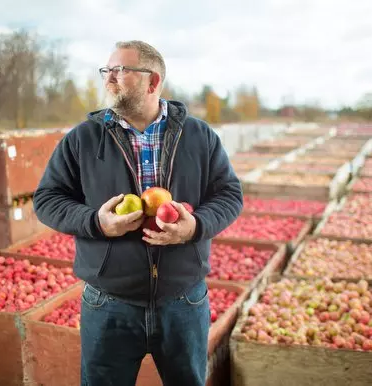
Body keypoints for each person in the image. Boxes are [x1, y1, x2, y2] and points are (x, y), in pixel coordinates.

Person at [33, 40, 243, 386]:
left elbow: (229, 194)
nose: (109, 78)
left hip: (184, 300)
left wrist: (195, 227)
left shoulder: (198, 136)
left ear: (153, 81)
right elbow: (48, 199)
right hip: (108, 303)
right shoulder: (83, 139)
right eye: (107, 70)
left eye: (120, 70)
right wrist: (96, 222)